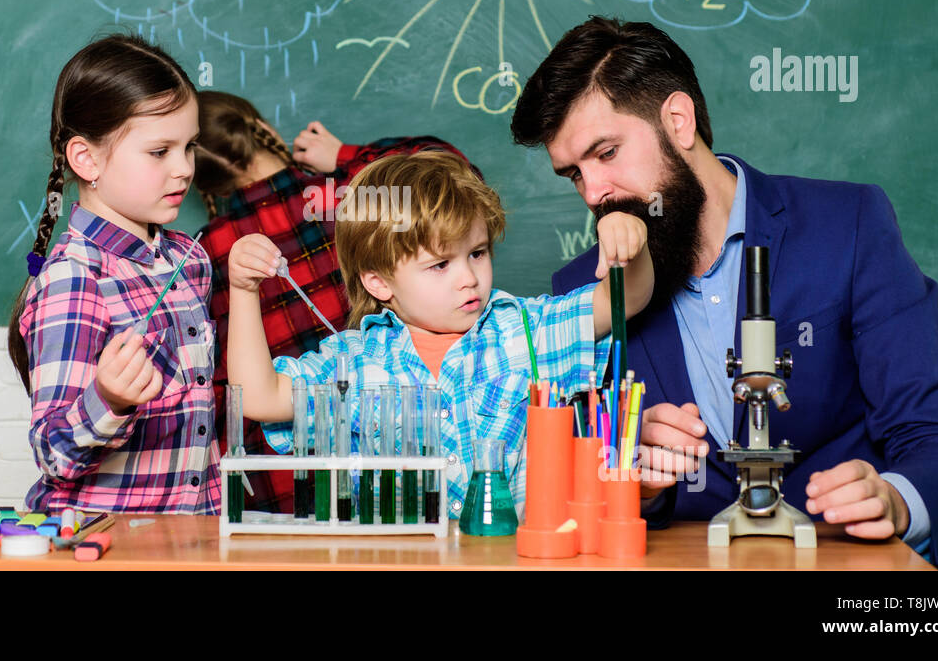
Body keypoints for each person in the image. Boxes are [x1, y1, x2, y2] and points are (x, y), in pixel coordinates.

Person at [510, 15, 938, 566]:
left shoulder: (849, 225)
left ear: (679, 121)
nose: (593, 193)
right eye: (574, 174)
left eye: (606, 153)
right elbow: (569, 501)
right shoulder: (584, 294)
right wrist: (634, 484)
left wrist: (896, 501)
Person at [224, 151, 654, 519]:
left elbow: (626, 300)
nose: (469, 278)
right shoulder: (355, 362)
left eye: (478, 253)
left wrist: (630, 237)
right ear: (379, 283)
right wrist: (243, 291)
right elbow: (259, 397)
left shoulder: (523, 330)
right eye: (439, 265)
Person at [193, 91, 471, 513]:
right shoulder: (345, 197)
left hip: (281, 467)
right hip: (392, 446)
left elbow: (218, 379)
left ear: (202, 181)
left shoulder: (209, 248)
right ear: (262, 131)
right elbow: (448, 163)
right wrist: (344, 155)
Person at [7, 33, 219, 514]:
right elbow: (53, 454)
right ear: (87, 159)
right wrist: (108, 399)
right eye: (159, 151)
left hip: (191, 538)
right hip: (107, 545)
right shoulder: (74, 280)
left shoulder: (188, 260)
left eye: (189, 147)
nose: (184, 169)